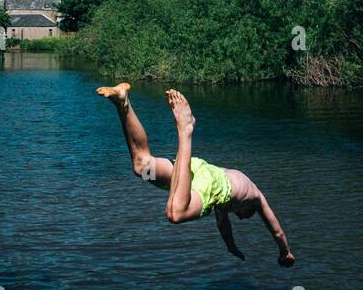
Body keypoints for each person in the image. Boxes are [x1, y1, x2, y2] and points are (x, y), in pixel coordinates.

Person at [96, 83, 295, 266]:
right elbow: (277, 231)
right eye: (242, 216)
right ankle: (185, 130)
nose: (240, 217)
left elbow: (224, 227)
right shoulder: (256, 199)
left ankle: (123, 102)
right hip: (213, 184)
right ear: (245, 210)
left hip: (198, 168)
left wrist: (231, 247)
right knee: (176, 213)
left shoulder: (224, 205)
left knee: (142, 166)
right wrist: (285, 253)